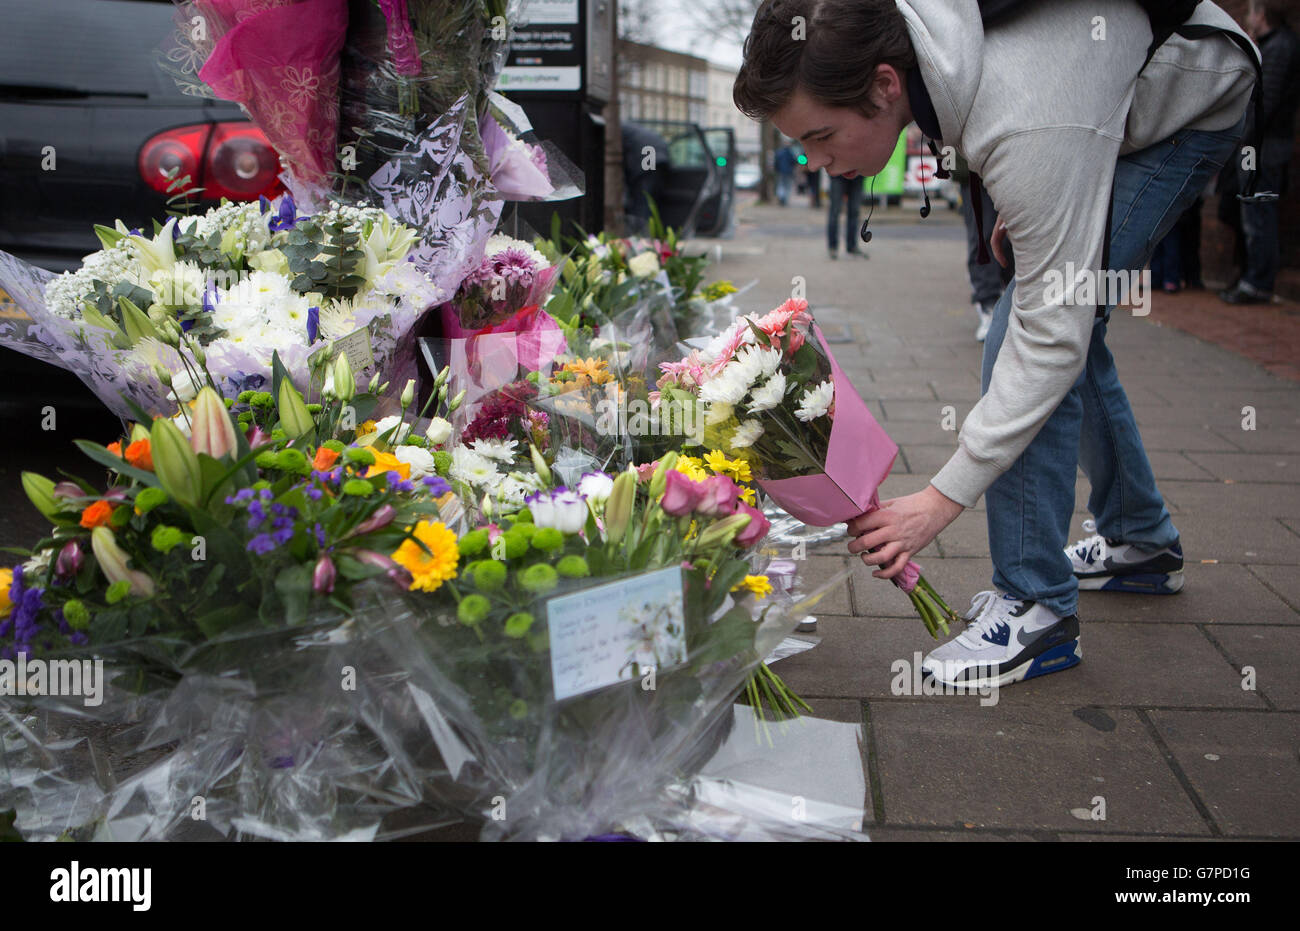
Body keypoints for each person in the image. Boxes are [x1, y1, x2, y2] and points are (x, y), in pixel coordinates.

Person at [734, 0, 1256, 690]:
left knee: (1029, 328)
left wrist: (940, 500)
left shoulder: (1029, 117)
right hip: (1090, 102)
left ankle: (1035, 603)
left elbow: (1048, 340)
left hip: (1192, 99)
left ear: (886, 86)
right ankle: (1141, 538)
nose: (818, 162)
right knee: (1064, 314)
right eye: (801, 144)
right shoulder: (933, 53)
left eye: (823, 135)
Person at [1220, 1, 1299, 305]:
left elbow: (1266, 101)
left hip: (1262, 147)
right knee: (1254, 213)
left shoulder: (1279, 48)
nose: (1246, 18)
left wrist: (1247, 144)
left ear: (1261, 15)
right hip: (1260, 145)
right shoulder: (1273, 46)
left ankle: (1257, 282)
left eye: (1250, 12)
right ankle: (1253, 277)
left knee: (1258, 215)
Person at [953, 153, 1013, 340]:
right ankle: (988, 305)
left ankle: (1007, 298)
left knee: (1010, 239)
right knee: (982, 238)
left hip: (1009, 166)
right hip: (973, 169)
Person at [827, 174, 866, 260]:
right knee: (835, 211)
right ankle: (832, 247)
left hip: (858, 173)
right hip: (838, 172)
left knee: (854, 211)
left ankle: (851, 246)